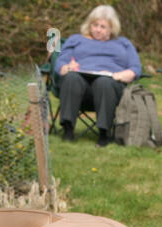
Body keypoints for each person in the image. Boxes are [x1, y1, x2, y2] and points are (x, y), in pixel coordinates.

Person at [55, 5, 141, 147]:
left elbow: (135, 69)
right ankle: (68, 131)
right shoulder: (76, 39)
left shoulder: (123, 43)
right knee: (71, 78)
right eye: (95, 25)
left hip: (110, 85)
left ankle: (104, 134)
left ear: (112, 28)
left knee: (104, 82)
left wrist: (121, 75)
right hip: (80, 87)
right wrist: (67, 67)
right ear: (89, 24)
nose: (98, 29)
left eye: (103, 27)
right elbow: (60, 64)